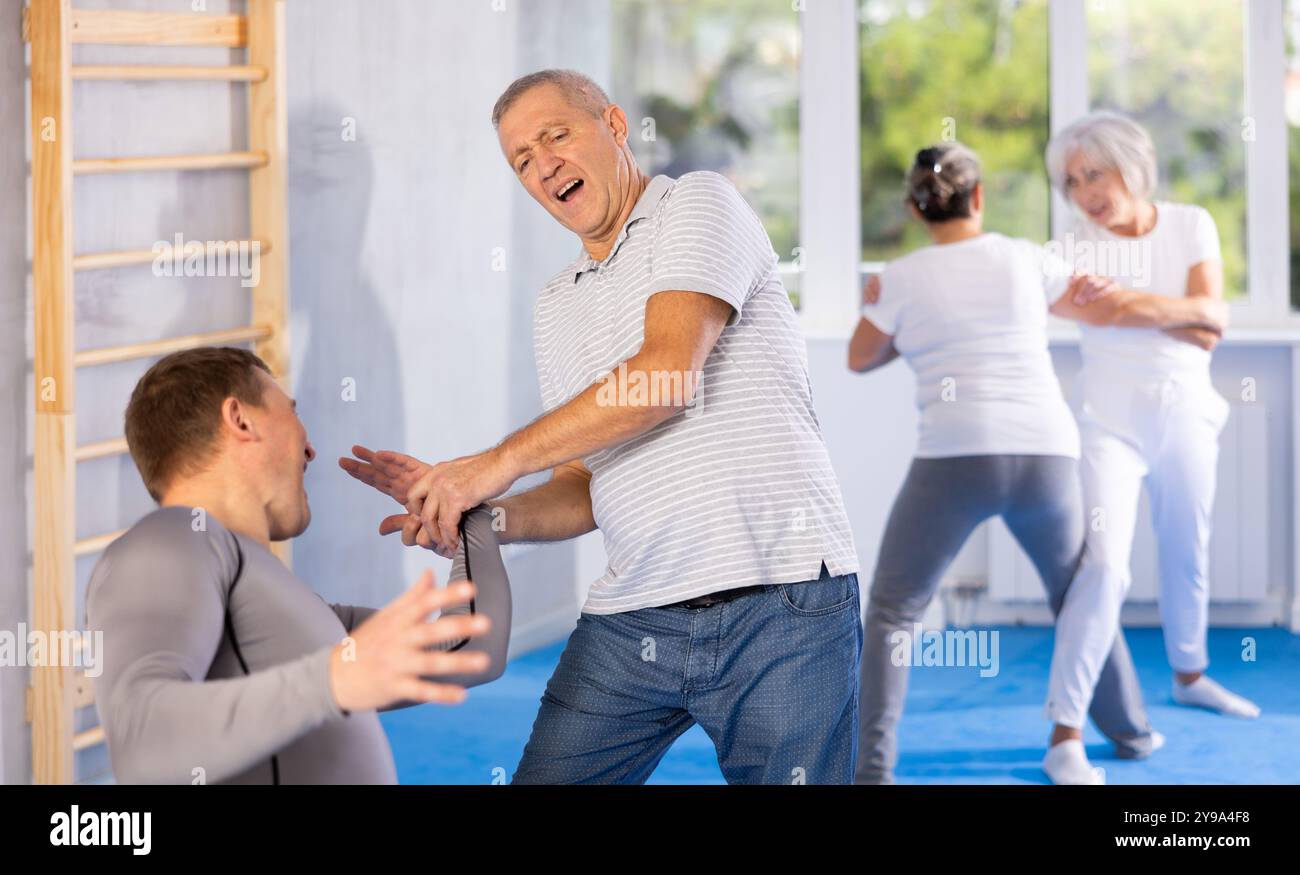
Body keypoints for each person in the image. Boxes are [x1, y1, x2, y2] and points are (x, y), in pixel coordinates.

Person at [342, 68, 862, 784]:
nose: (542, 164)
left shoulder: (699, 203)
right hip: (635, 611)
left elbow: (666, 375)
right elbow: (584, 483)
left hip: (778, 598)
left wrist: (494, 460)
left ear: (615, 126)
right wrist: (485, 515)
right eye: (522, 159)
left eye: (555, 136)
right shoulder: (556, 305)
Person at [850, 142, 1187, 784]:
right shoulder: (1028, 259)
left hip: (953, 459)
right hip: (1044, 453)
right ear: (979, 198)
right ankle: (1133, 732)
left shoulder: (900, 277)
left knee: (895, 610)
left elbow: (859, 358)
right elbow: (1091, 303)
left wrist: (891, 314)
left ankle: (873, 770)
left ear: (916, 210)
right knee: (1076, 593)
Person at [87, 347, 511, 784]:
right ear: (240, 419)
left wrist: (463, 513)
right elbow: (144, 743)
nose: (309, 450)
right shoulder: (170, 540)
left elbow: (471, 652)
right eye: (290, 413)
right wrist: (330, 682)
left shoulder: (287, 606)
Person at [1044, 111, 1259, 720]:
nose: (1085, 193)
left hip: (1186, 414)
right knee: (1106, 559)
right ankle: (1071, 715)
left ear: (1132, 167)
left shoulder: (1192, 224)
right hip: (1107, 421)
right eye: (1071, 182)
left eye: (1094, 174)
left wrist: (1122, 301)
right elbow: (1193, 316)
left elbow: (1211, 330)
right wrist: (1182, 311)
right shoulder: (1070, 248)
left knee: (1188, 546)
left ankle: (1190, 675)